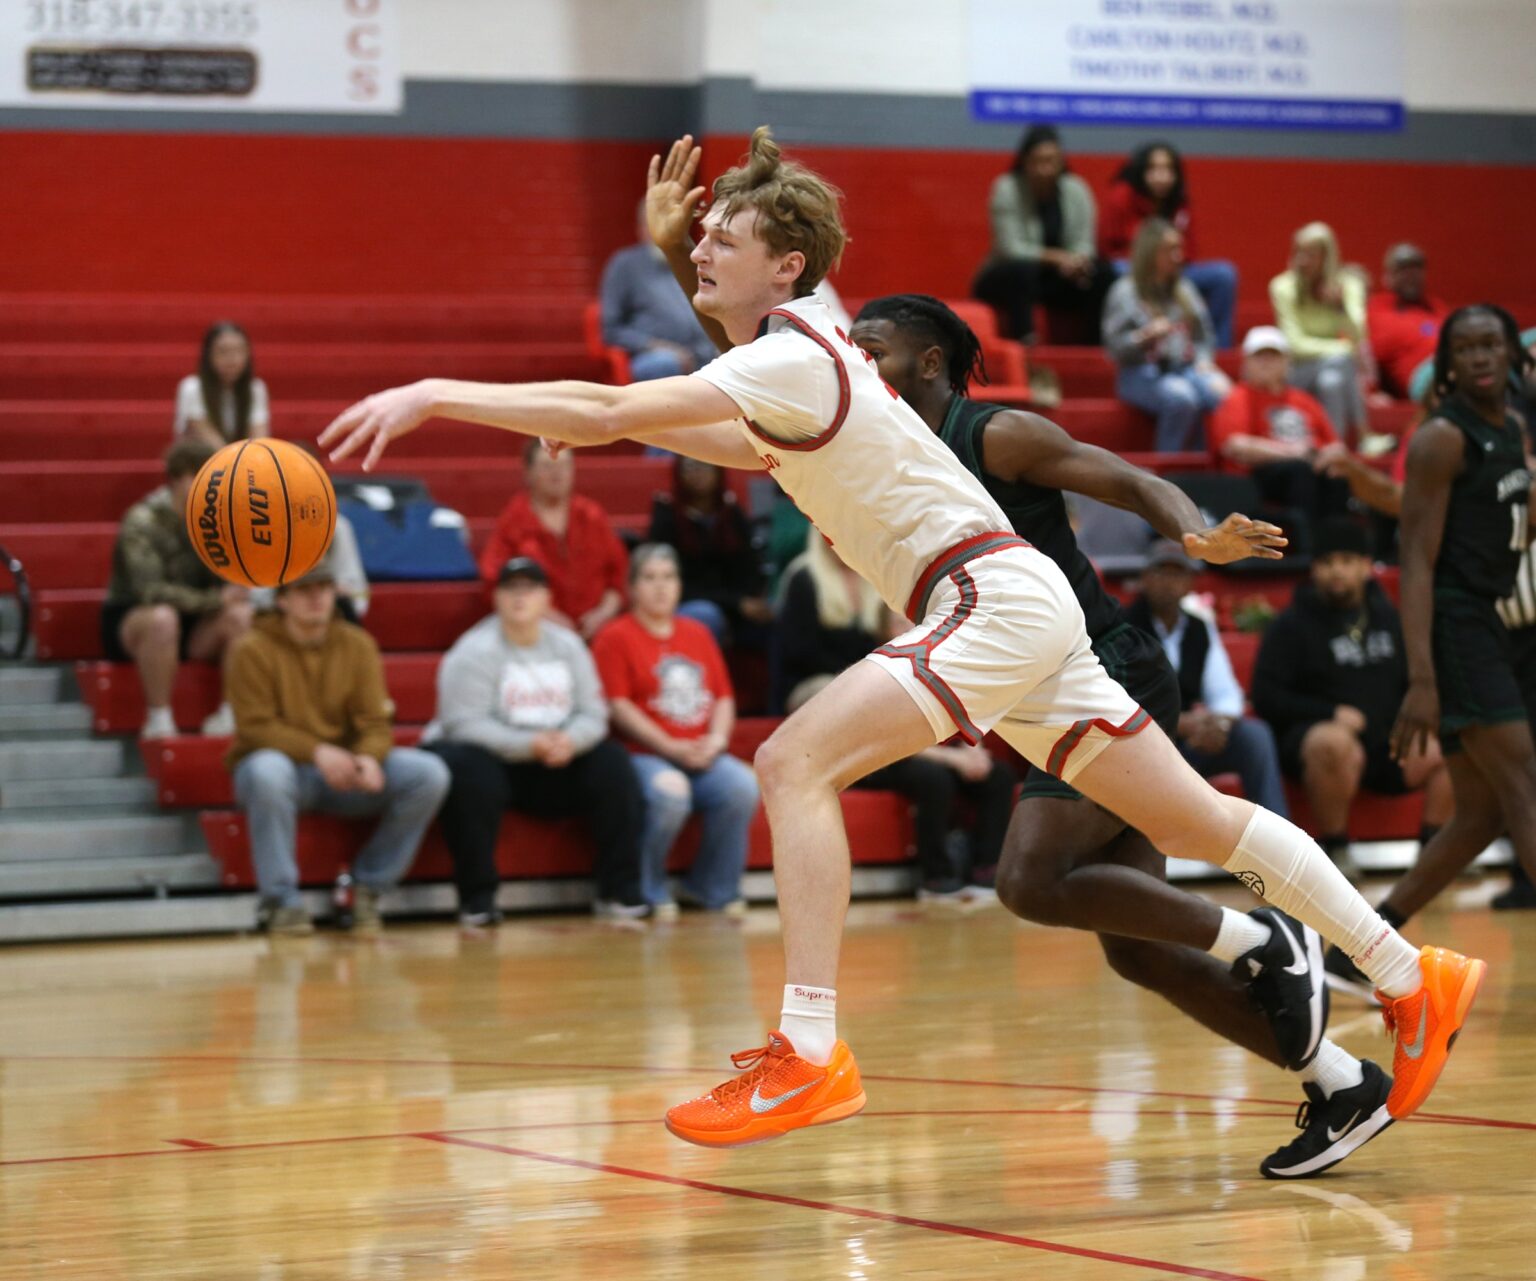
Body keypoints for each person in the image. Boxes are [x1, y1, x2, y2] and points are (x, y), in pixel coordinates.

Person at [320, 126, 1483, 1157]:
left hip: (989, 597)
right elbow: (702, 392)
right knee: (1195, 821)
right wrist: (694, 241)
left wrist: (433, 390)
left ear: (789, 268)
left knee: (789, 762)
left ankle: (811, 1048)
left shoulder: (790, 355)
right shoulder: (796, 362)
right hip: (1010, 603)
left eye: (728, 234)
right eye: (705, 234)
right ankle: (1404, 972)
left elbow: (611, 412)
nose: (704, 244)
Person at [850, 293, 1396, 1174]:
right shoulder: (881, 445)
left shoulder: (996, 435)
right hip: (1041, 695)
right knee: (1140, 949)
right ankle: (1343, 1084)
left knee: (1028, 877)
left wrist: (1194, 531)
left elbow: (1126, 478)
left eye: (870, 347)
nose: (853, 360)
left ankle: (1267, 938)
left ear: (928, 362)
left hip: (1104, 667)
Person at [1318, 307, 1536, 989]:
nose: (1479, 357)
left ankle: (1356, 952)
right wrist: (1422, 677)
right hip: (1454, 621)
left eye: (1490, 344)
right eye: (1465, 347)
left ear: (1510, 351)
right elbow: (1414, 560)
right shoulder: (1443, 438)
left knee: (1480, 814)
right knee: (1525, 781)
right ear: (1445, 363)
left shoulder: (1513, 428)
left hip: (1489, 621)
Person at [226, 565, 450, 936]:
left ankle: (365, 887)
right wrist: (317, 751)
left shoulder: (357, 644)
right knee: (267, 770)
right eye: (304, 590)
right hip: (286, 774)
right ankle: (281, 902)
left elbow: (375, 723)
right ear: (282, 600)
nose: (316, 598)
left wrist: (368, 757)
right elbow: (255, 728)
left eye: (324, 588)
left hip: (344, 773)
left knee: (428, 773)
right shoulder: (251, 648)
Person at [425, 556, 648, 926]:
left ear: (547, 599)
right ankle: (477, 898)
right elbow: (462, 724)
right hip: (494, 760)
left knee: (612, 764)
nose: (520, 597)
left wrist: (569, 742)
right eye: (511, 588)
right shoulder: (472, 651)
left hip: (555, 759)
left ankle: (619, 890)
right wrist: (529, 744)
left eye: (530, 588)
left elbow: (593, 713)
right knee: (469, 770)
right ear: (495, 598)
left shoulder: (569, 646)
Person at [1252, 516, 1452, 882]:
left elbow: (1418, 683)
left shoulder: (1392, 619)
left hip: (1387, 743)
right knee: (1333, 742)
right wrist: (1328, 712)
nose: (1336, 571)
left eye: (1346, 561)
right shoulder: (1291, 625)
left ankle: (1434, 851)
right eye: (1327, 563)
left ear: (1365, 566)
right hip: (1318, 747)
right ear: (1314, 570)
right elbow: (1265, 696)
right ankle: (1337, 846)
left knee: (1454, 744)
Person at [591, 544, 759, 917]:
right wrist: (671, 747)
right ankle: (646, 885)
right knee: (671, 792)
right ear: (632, 587)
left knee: (741, 786)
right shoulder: (614, 637)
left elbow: (723, 697)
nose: (660, 587)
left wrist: (715, 742)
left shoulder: (697, 633)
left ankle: (712, 887)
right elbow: (619, 707)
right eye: (649, 578)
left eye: (668, 577)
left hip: (699, 749)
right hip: (642, 755)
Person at [1123, 540, 1291, 818]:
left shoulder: (1199, 627)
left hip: (1191, 741)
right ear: (1144, 578)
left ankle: (1277, 840)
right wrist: (1178, 724)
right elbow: (1116, 701)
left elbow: (1226, 694)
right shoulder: (1124, 627)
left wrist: (1219, 725)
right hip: (1140, 743)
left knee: (1254, 736)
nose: (1168, 582)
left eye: (1177, 573)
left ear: (1191, 582)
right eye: (1160, 572)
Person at [101, 436, 253, 738]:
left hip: (195, 622)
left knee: (242, 616)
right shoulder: (143, 520)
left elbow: (229, 582)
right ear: (177, 478)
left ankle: (231, 713)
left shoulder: (218, 518)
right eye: (200, 476)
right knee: (163, 618)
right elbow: (150, 591)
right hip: (135, 618)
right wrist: (215, 599)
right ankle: (159, 718)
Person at [971, 125, 1115, 345]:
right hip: (1008, 275)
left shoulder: (1076, 189)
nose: (1044, 168)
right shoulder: (1007, 188)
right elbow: (1011, 248)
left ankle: (1093, 346)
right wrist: (1057, 258)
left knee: (1103, 274)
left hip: (1060, 277)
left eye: (1051, 160)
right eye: (1038, 160)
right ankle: (1026, 342)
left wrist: (1076, 262)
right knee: (1022, 271)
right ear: (1025, 161)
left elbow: (1085, 242)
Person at [1208, 326, 1351, 542]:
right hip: (1257, 477)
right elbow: (1235, 445)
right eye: (1259, 356)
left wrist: (1328, 455)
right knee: (1299, 472)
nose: (1266, 362)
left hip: (1308, 465)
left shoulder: (1304, 400)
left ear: (1287, 362)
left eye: (1273, 356)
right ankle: (1308, 544)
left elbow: (1335, 444)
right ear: (1246, 363)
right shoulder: (1237, 398)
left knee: (1337, 475)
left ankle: (1335, 545)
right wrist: (1292, 452)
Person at [477, 438, 627, 640]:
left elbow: (619, 574)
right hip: (535, 632)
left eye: (564, 465)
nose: (557, 473)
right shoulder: (513, 521)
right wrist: (544, 615)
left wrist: (603, 613)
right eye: (547, 466)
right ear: (528, 473)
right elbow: (494, 580)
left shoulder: (592, 515)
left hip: (597, 631)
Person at [1103, 219, 1229, 452]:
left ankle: (1211, 468)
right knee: (1182, 397)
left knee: (1221, 392)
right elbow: (1114, 348)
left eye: (1178, 248)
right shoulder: (1125, 291)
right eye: (1169, 249)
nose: (1178, 256)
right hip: (1140, 371)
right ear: (1150, 252)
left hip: (1186, 366)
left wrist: (1204, 360)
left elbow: (1204, 336)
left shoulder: (1185, 289)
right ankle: (1169, 473)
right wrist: (1143, 337)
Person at [1098, 140, 1238, 348]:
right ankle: (1143, 336)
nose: (1161, 176)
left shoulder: (1180, 201)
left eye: (1168, 170)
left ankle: (1218, 349)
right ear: (1141, 171)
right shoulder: (1122, 196)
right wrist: (1149, 263)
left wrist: (1170, 263)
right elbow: (1106, 248)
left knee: (1224, 275)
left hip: (1174, 272)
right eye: (1154, 169)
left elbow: (1189, 251)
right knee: (1116, 270)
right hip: (1134, 271)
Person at [644, 455, 770, 646]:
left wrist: (753, 599)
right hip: (688, 601)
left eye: (704, 466)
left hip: (735, 603)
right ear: (679, 473)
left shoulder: (731, 513)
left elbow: (750, 564)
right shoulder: (667, 515)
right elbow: (671, 580)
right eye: (690, 467)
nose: (697, 473)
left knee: (779, 618)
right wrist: (737, 603)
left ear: (718, 471)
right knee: (706, 615)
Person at [1269, 223, 1369, 442]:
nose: (1302, 260)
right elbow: (1294, 344)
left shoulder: (1348, 286)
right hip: (1297, 371)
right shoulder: (1282, 287)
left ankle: (1333, 447)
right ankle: (1363, 434)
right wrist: (1341, 350)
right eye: (1299, 253)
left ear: (1327, 258)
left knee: (1331, 382)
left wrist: (1340, 307)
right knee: (1341, 362)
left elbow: (1359, 336)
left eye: (1311, 255)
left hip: (1336, 370)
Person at [600, 199, 719, 382]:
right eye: (658, 224)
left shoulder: (692, 261)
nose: (667, 232)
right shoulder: (625, 265)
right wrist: (657, 346)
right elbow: (612, 329)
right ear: (642, 228)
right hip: (653, 354)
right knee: (665, 363)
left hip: (700, 351)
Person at [774, 528, 888, 713]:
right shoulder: (803, 577)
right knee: (842, 694)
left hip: (868, 679)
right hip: (812, 679)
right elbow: (799, 650)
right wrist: (854, 676)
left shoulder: (878, 576)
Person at [1367, 244, 1449, 401]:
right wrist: (1371, 392)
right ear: (1387, 277)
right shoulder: (1375, 311)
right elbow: (1361, 354)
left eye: (1417, 268)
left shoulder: (1437, 309)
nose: (1411, 275)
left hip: (1456, 366)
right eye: (1403, 269)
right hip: (1424, 378)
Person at [175, 321, 270, 446]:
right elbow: (206, 436)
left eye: (239, 350)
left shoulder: (255, 388)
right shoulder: (192, 388)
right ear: (208, 355)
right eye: (223, 351)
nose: (232, 358)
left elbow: (259, 440)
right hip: (202, 461)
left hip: (243, 461)